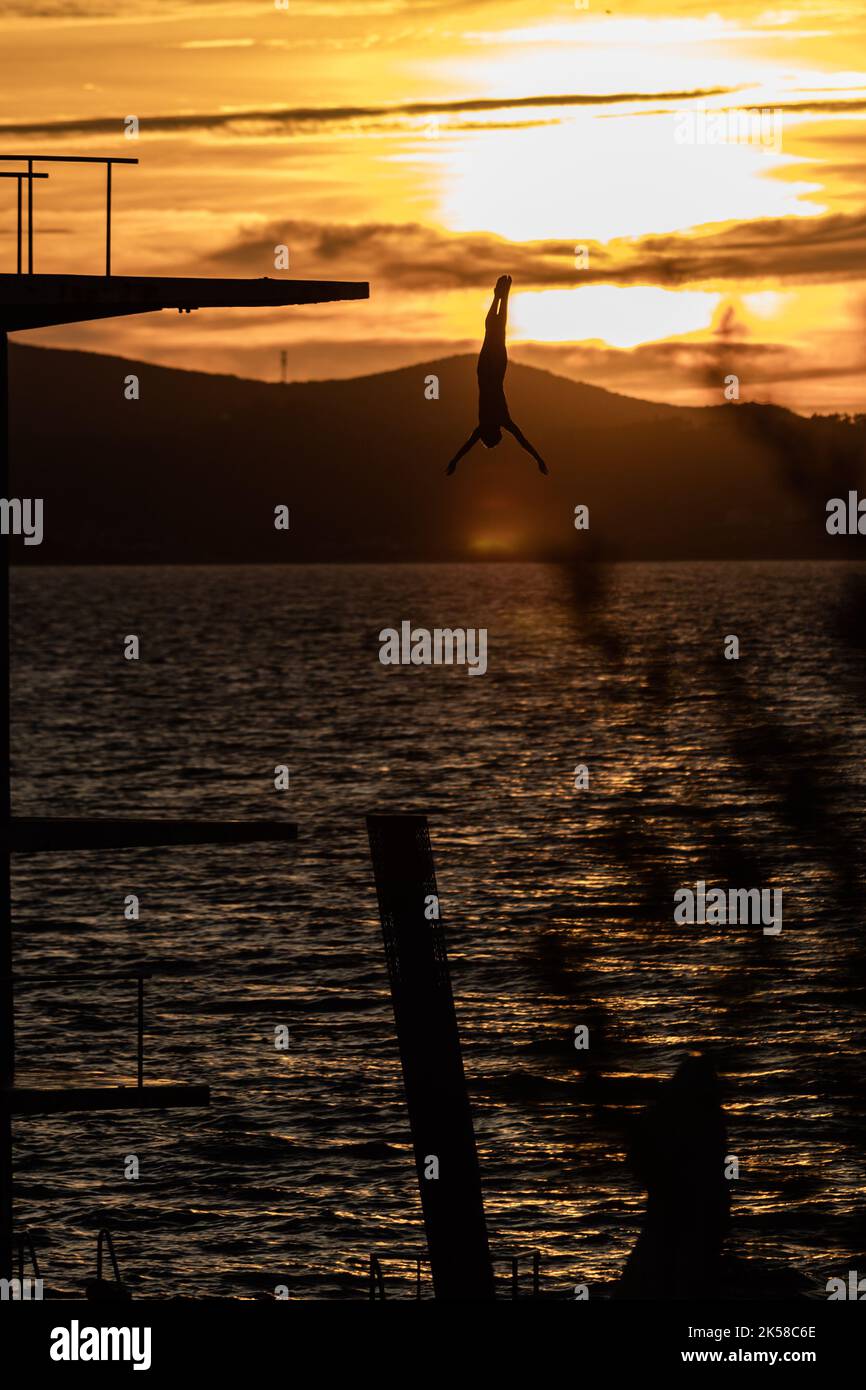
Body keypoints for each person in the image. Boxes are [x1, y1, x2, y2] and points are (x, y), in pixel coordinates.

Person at [617, 1054, 731, 1298]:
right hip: (690, 1212)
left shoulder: (663, 1115)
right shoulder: (709, 1119)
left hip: (674, 1211)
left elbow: (637, 1159)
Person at [446, 275, 549, 476]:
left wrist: (539, 459)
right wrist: (454, 461)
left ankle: (502, 296)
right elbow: (522, 442)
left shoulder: (497, 422)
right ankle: (499, 297)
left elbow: (521, 441)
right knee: (492, 332)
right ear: (490, 434)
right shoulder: (494, 422)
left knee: (496, 332)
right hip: (485, 372)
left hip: (492, 370)